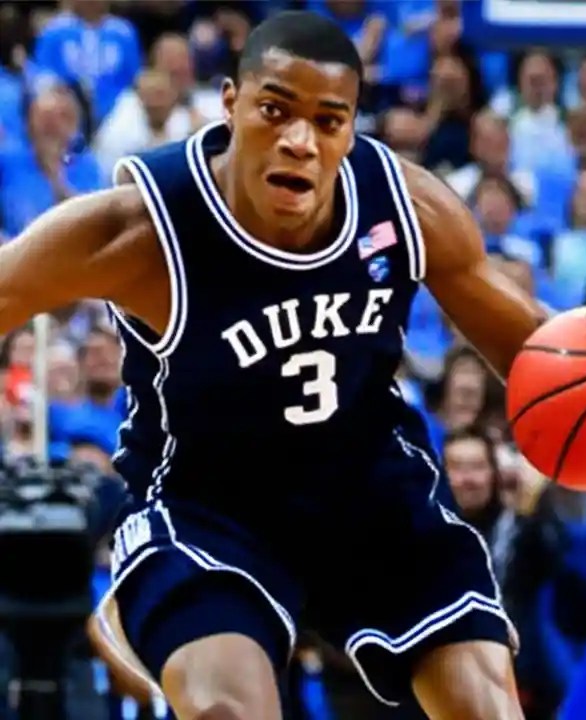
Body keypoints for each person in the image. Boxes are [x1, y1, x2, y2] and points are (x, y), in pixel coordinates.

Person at [0, 11, 545, 720]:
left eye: (328, 121)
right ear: (230, 103)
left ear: (352, 128)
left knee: (488, 709)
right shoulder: (142, 230)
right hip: (209, 508)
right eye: (275, 110)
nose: (299, 141)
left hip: (371, 493)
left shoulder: (406, 208)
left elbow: (535, 349)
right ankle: (142, 609)